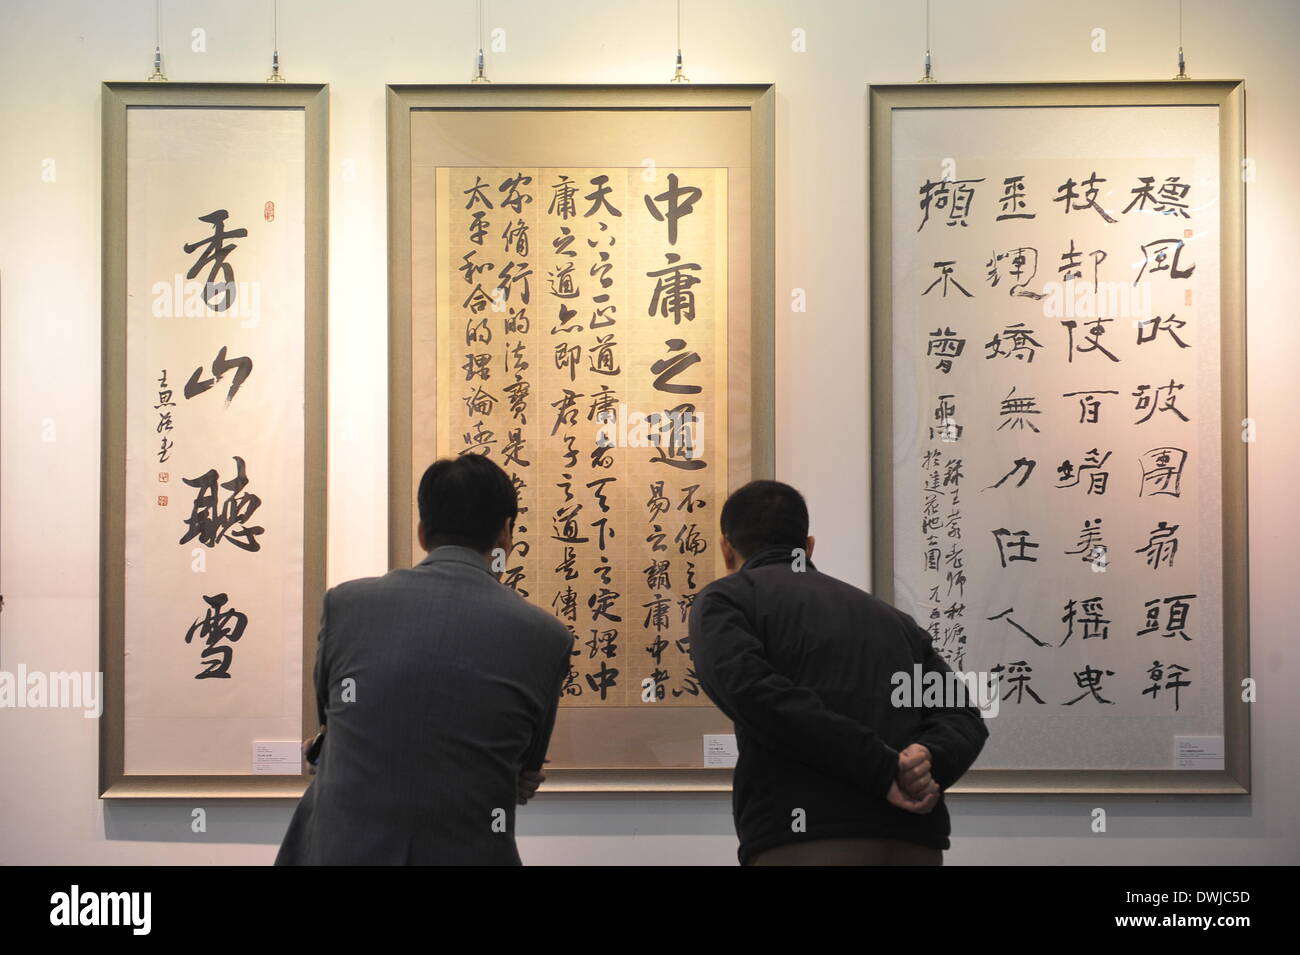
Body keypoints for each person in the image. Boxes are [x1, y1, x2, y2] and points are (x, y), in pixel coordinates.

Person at [276, 454, 573, 865]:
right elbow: (524, 774)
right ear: (506, 534)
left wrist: (330, 750)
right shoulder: (547, 636)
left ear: (421, 532)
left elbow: (333, 718)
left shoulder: (347, 604)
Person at [688, 479, 989, 865]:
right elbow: (961, 715)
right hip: (914, 841)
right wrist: (925, 760)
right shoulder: (894, 621)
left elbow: (754, 694)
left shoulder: (727, 600)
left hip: (803, 838)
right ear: (808, 545)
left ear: (726, 548)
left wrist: (882, 770)